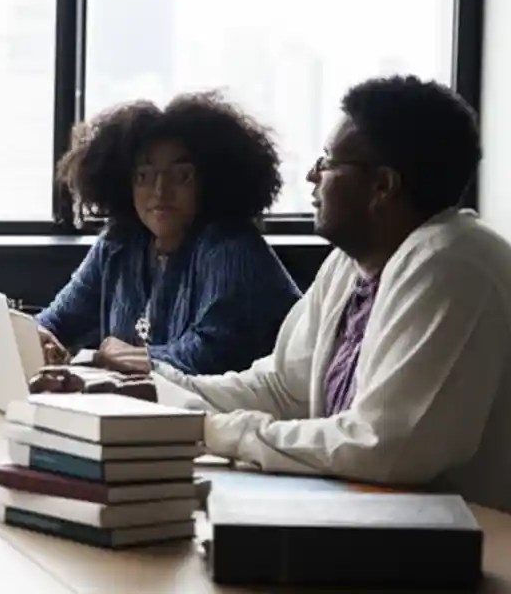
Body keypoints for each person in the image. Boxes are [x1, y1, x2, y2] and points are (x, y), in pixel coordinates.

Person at [153, 76, 511, 513]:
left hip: (476, 536)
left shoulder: (450, 262)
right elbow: (283, 389)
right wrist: (152, 383)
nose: (312, 176)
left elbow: (383, 446)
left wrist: (215, 431)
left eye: (327, 162)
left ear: (382, 186)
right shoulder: (351, 264)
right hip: (381, 520)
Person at [35, 92, 300, 376]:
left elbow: (212, 356)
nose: (160, 190)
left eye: (181, 175)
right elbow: (57, 320)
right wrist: (41, 337)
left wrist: (132, 358)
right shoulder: (118, 243)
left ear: (210, 180)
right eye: (144, 176)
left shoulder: (232, 247)